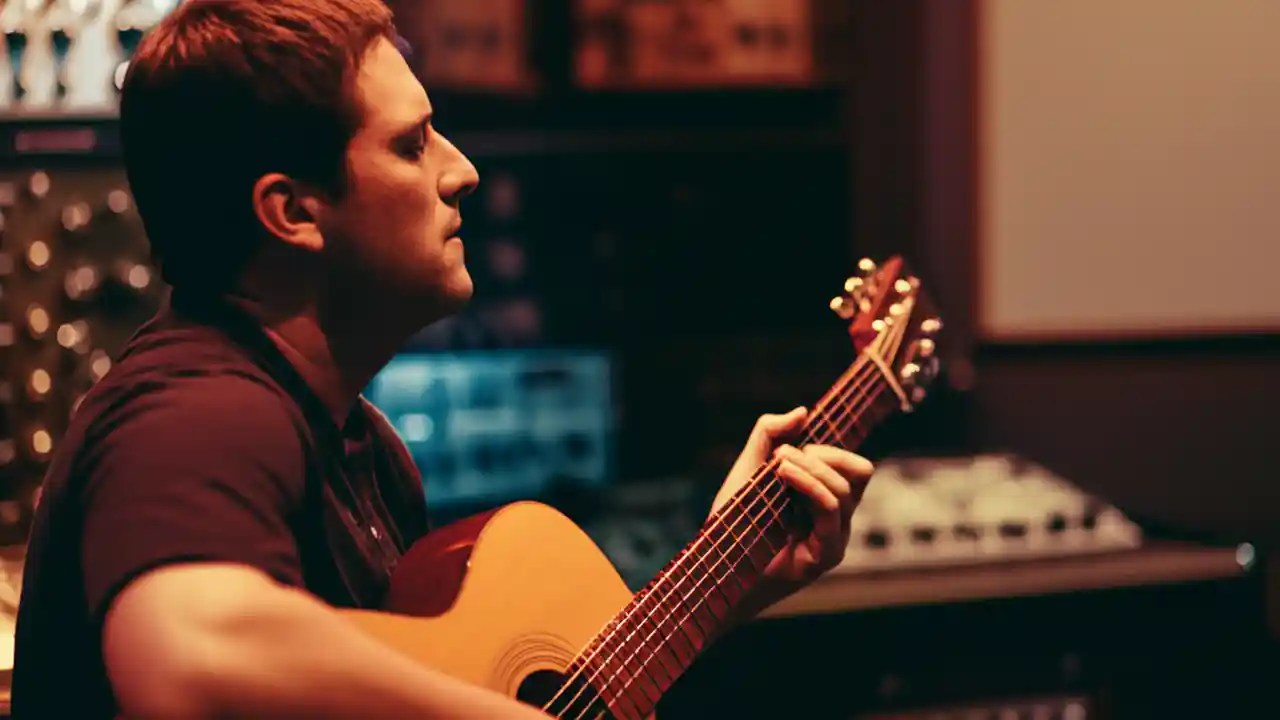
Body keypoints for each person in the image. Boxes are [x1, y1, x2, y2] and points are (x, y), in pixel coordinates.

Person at [11, 1, 875, 718]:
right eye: (412, 144)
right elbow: (190, 654)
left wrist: (719, 582)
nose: (461, 172)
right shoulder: (198, 409)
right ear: (292, 212)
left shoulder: (364, 449)